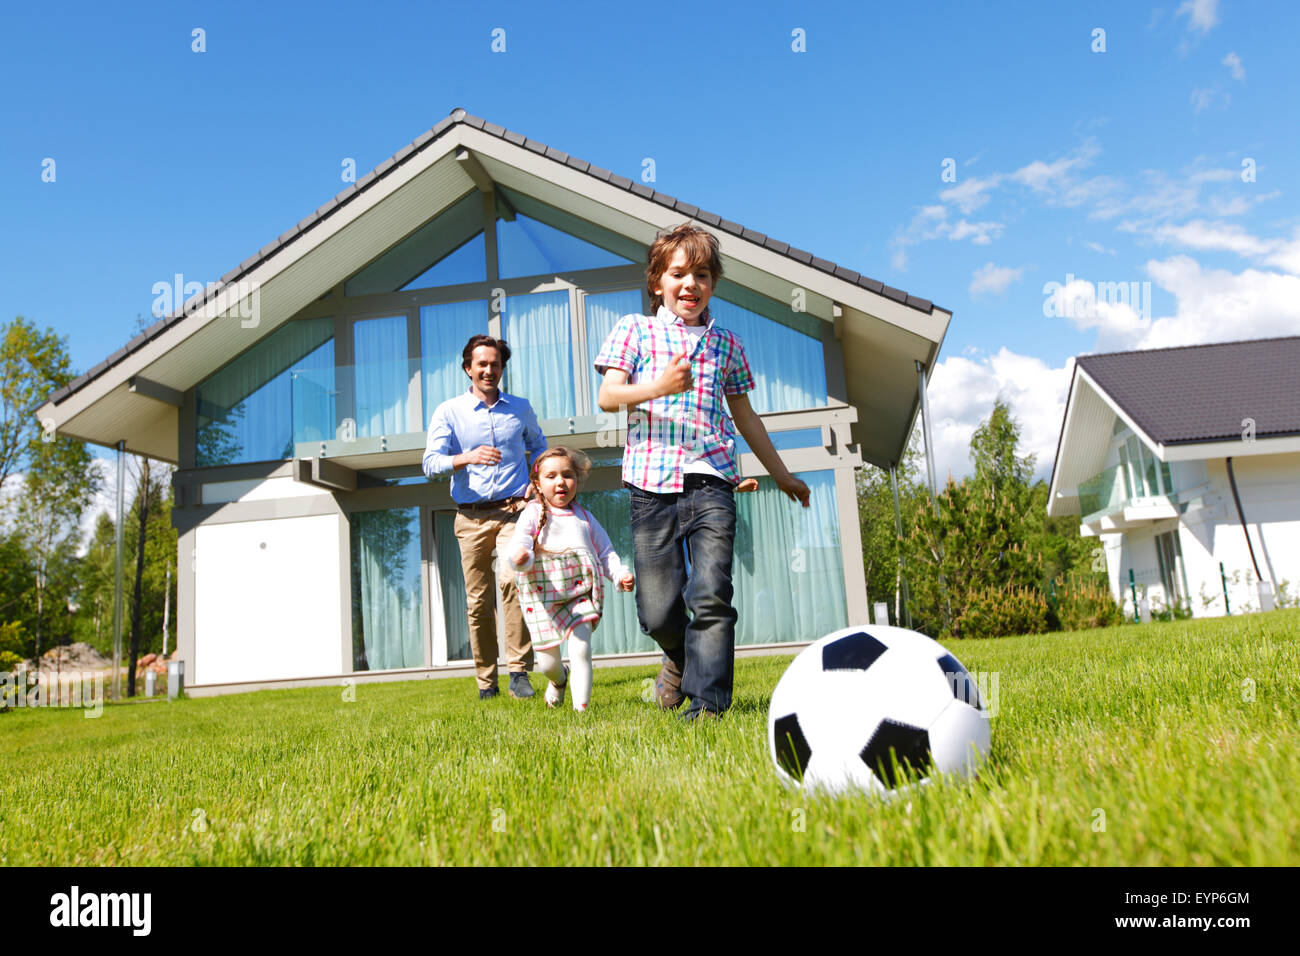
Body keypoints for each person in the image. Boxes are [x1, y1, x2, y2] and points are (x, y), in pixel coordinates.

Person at [594, 223, 810, 720]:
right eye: (678, 274)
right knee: (657, 610)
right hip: (651, 486)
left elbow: (745, 415)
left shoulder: (726, 344)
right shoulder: (634, 329)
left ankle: (709, 703)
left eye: (703, 275)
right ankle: (677, 660)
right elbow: (609, 397)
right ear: (657, 282)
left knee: (711, 593)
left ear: (713, 284)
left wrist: (780, 473)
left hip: (713, 480)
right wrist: (658, 387)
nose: (690, 284)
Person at [423, 334, 546, 700]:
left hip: (514, 513)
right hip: (471, 517)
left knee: (512, 581)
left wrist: (536, 480)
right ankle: (486, 681)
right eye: (482, 364)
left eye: (495, 364)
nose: (488, 370)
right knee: (478, 602)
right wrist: (467, 457)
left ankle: (519, 672)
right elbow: (430, 464)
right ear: (468, 368)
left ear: (501, 368)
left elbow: (539, 446)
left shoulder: (520, 408)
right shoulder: (449, 411)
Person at [506, 446, 634, 711]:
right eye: (551, 476)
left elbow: (606, 552)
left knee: (580, 648)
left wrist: (619, 574)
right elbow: (521, 543)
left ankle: (581, 710)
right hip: (542, 597)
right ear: (538, 484)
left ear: (576, 480)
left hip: (580, 594)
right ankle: (559, 680)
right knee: (548, 664)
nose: (560, 482)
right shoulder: (532, 513)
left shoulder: (585, 518)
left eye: (567, 474)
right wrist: (521, 557)